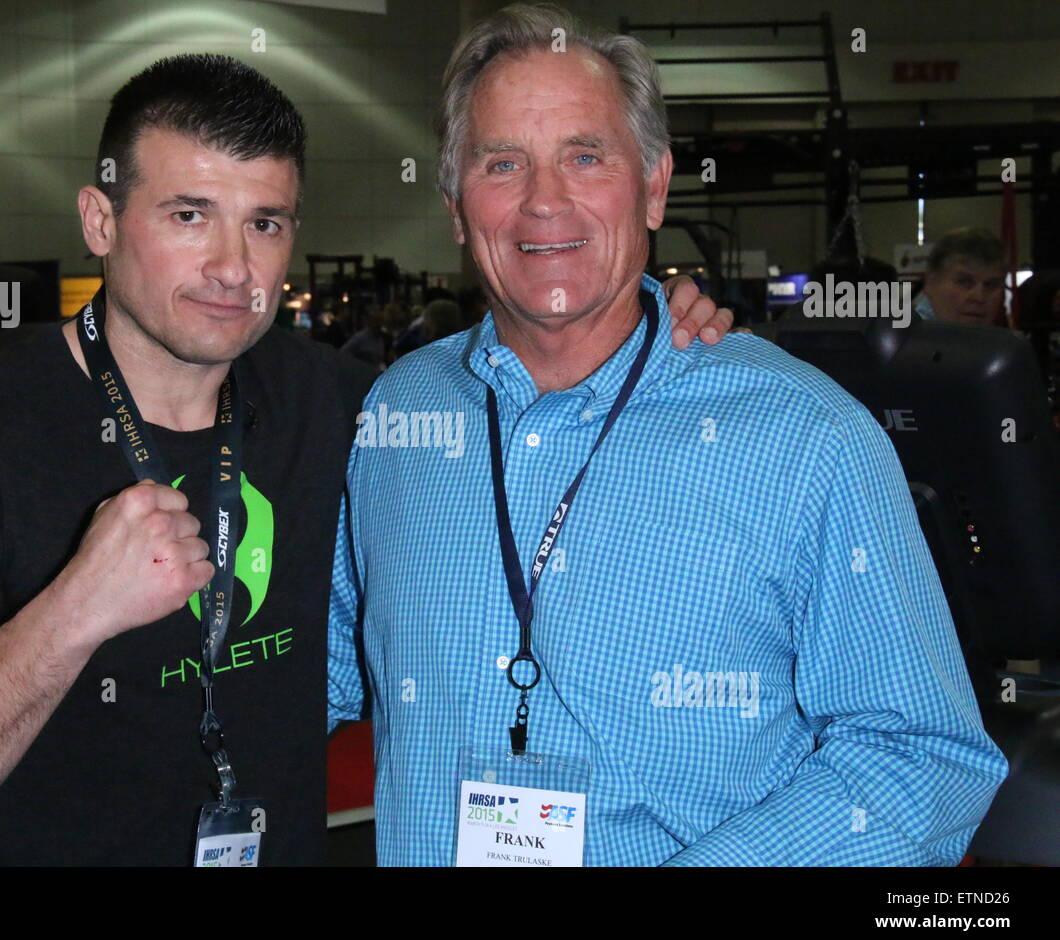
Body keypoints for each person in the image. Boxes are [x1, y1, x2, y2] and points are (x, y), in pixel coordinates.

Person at [0, 52, 730, 867]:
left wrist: (655, 322)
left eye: (265, 223)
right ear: (100, 219)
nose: (230, 267)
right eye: (188, 214)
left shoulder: (350, 407)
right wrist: (70, 616)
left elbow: (545, 371)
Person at [328, 4, 1008, 866]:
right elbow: (322, 670)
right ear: (457, 206)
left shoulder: (808, 440)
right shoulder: (398, 416)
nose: (545, 200)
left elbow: (924, 761)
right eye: (503, 163)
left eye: (586, 156)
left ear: (652, 186)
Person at [915, 228, 1008, 326]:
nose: (979, 297)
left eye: (991, 285)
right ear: (930, 282)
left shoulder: (1008, 339)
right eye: (965, 282)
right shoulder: (903, 339)